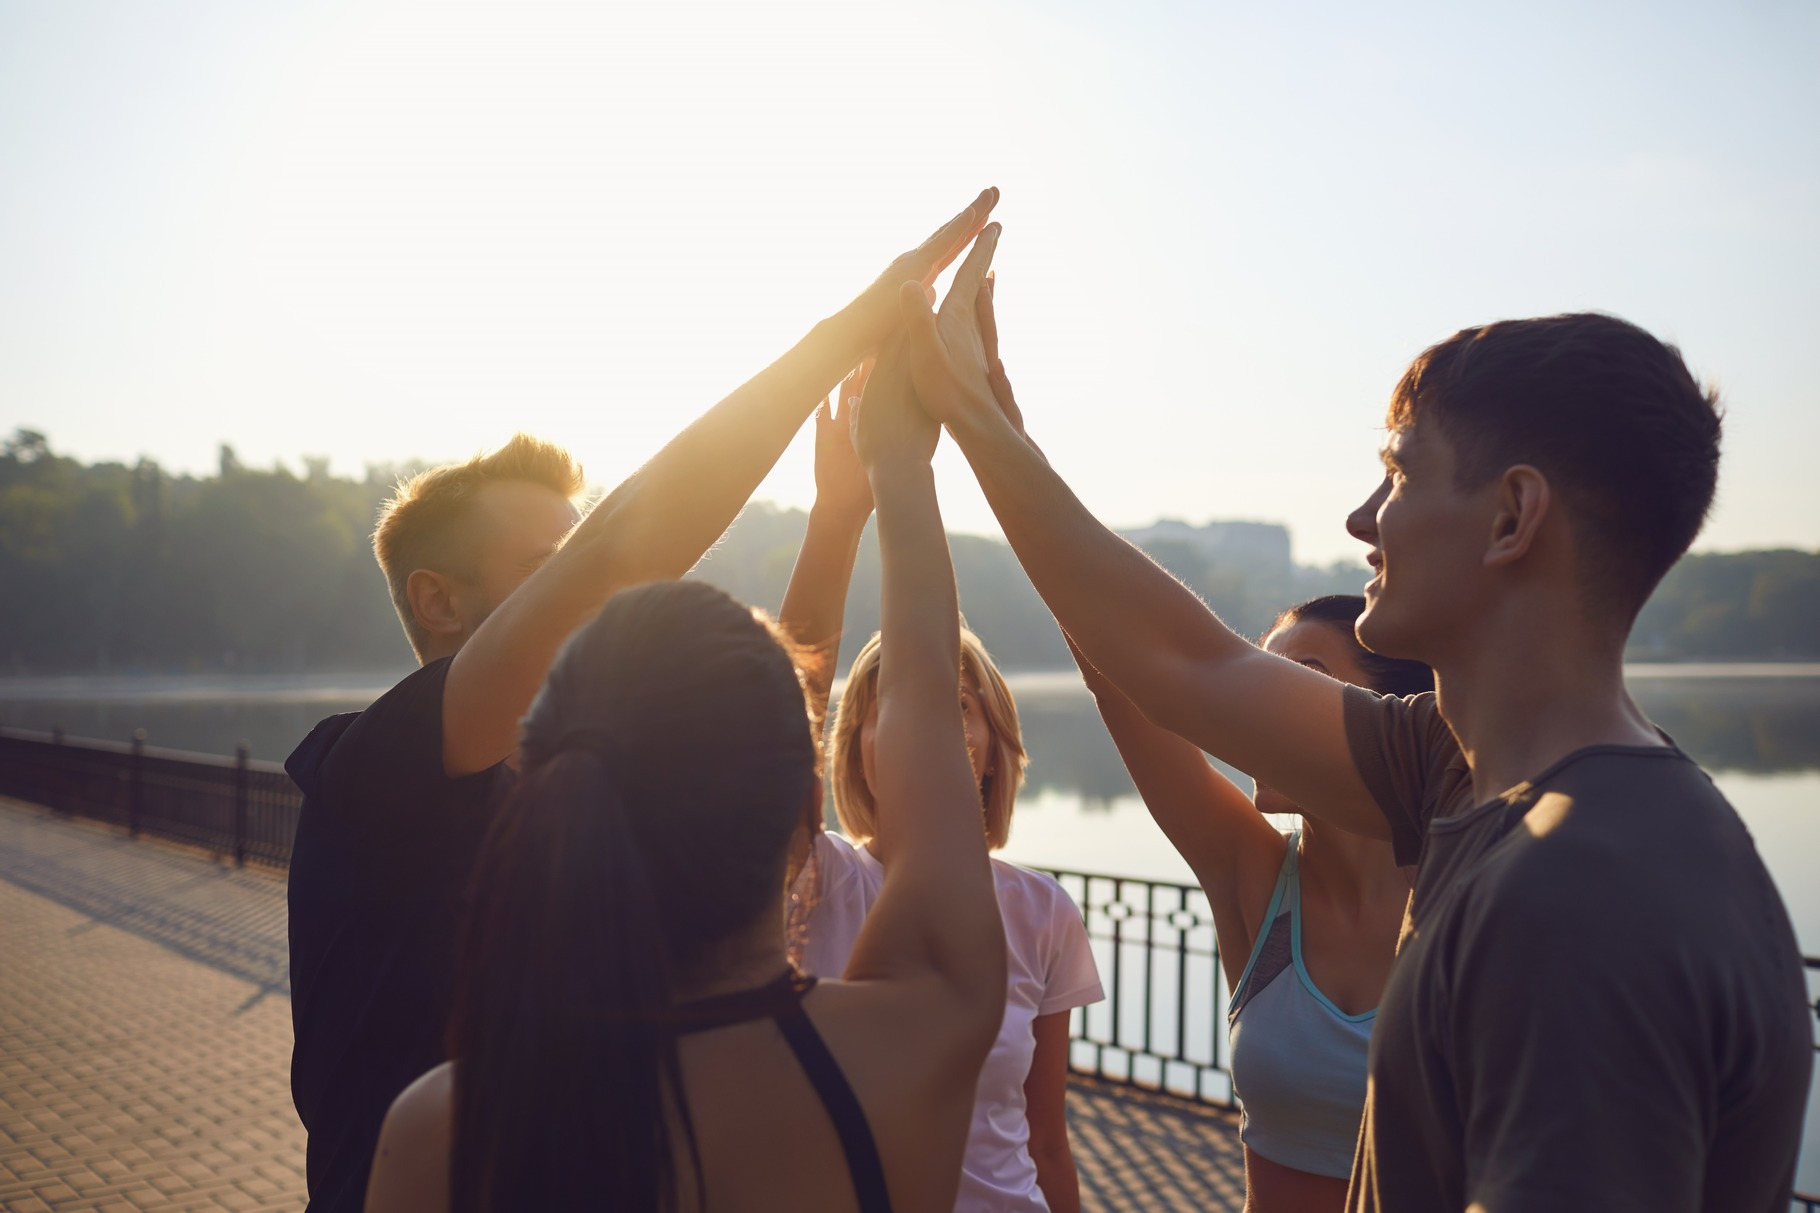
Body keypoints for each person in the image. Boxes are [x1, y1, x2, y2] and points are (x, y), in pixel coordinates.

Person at [904, 260, 1811, 1212]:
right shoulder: (1455, 771)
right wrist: (981, 417)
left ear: (1511, 517)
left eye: (1399, 472)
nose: (1360, 520)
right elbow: (1187, 669)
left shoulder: (1586, 894)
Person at [284, 189, 1001, 1213]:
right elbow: (635, 554)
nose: (593, 588)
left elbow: (744, 734)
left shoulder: (452, 1115)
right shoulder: (387, 776)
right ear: (438, 601)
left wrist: (837, 519)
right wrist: (861, 370)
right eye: (549, 570)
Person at [775, 373, 1103, 1213]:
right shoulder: (818, 881)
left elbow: (1045, 1142)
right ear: (855, 744)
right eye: (904, 707)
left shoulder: (1044, 913)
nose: (937, 731)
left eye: (959, 708)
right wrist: (839, 513)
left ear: (995, 744)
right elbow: (783, 716)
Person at [1070, 596, 1428, 1213]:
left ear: (1391, 717)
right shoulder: (1257, 881)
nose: (1263, 710)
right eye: (1261, 681)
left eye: (1304, 678)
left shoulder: (1471, 888)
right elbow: (1115, 682)